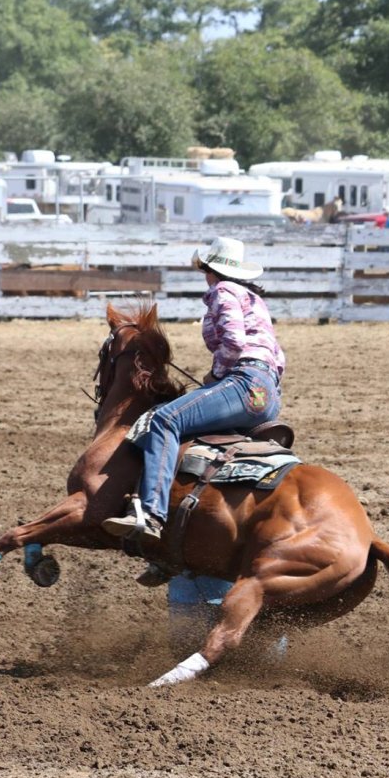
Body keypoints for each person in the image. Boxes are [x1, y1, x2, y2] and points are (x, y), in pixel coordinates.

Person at [103, 236, 286, 567]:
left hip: (243, 384)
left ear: (207, 267)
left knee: (165, 421)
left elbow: (232, 341)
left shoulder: (223, 292)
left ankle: (152, 515)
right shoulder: (255, 300)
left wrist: (216, 377)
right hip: (268, 394)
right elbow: (276, 355)